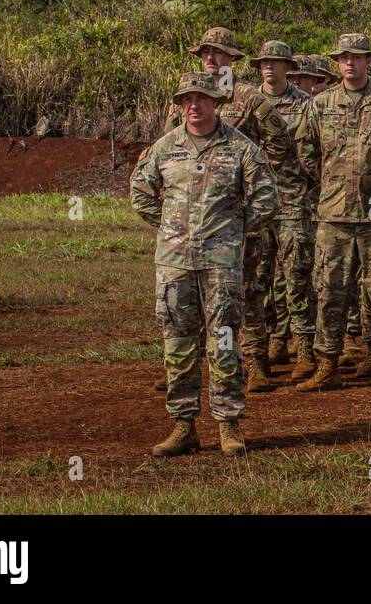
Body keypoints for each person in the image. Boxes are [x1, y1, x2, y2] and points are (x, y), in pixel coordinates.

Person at [131, 72, 278, 458]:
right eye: (186, 99)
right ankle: (184, 426)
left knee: (224, 343)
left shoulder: (241, 148)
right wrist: (169, 225)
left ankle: (228, 424)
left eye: (201, 98)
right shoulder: (165, 149)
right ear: (180, 105)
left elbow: (266, 197)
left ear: (216, 102)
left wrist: (234, 229)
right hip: (175, 265)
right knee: (178, 345)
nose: (193, 105)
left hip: (221, 266)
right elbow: (140, 192)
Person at [168, 27, 295, 394]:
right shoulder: (184, 97)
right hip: (191, 219)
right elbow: (167, 147)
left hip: (238, 218)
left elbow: (279, 143)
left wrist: (249, 183)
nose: (211, 58)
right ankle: (188, 365)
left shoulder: (249, 98)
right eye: (206, 52)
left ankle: (255, 359)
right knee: (189, 293)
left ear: (233, 59)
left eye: (219, 53)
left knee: (250, 287)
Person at [292, 33, 371, 391]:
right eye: (344, 57)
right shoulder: (321, 103)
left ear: (367, 61)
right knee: (330, 289)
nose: (349, 63)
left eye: (357, 57)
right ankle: (327, 363)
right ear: (337, 62)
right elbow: (307, 150)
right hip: (334, 213)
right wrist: (331, 180)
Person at [252, 41, 316, 374]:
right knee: (259, 279)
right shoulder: (249, 102)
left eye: (276, 62)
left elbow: (314, 152)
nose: (270, 68)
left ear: (287, 66)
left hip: (293, 200)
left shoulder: (306, 104)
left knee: (297, 275)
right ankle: (264, 348)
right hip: (257, 204)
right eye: (265, 62)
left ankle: (304, 345)